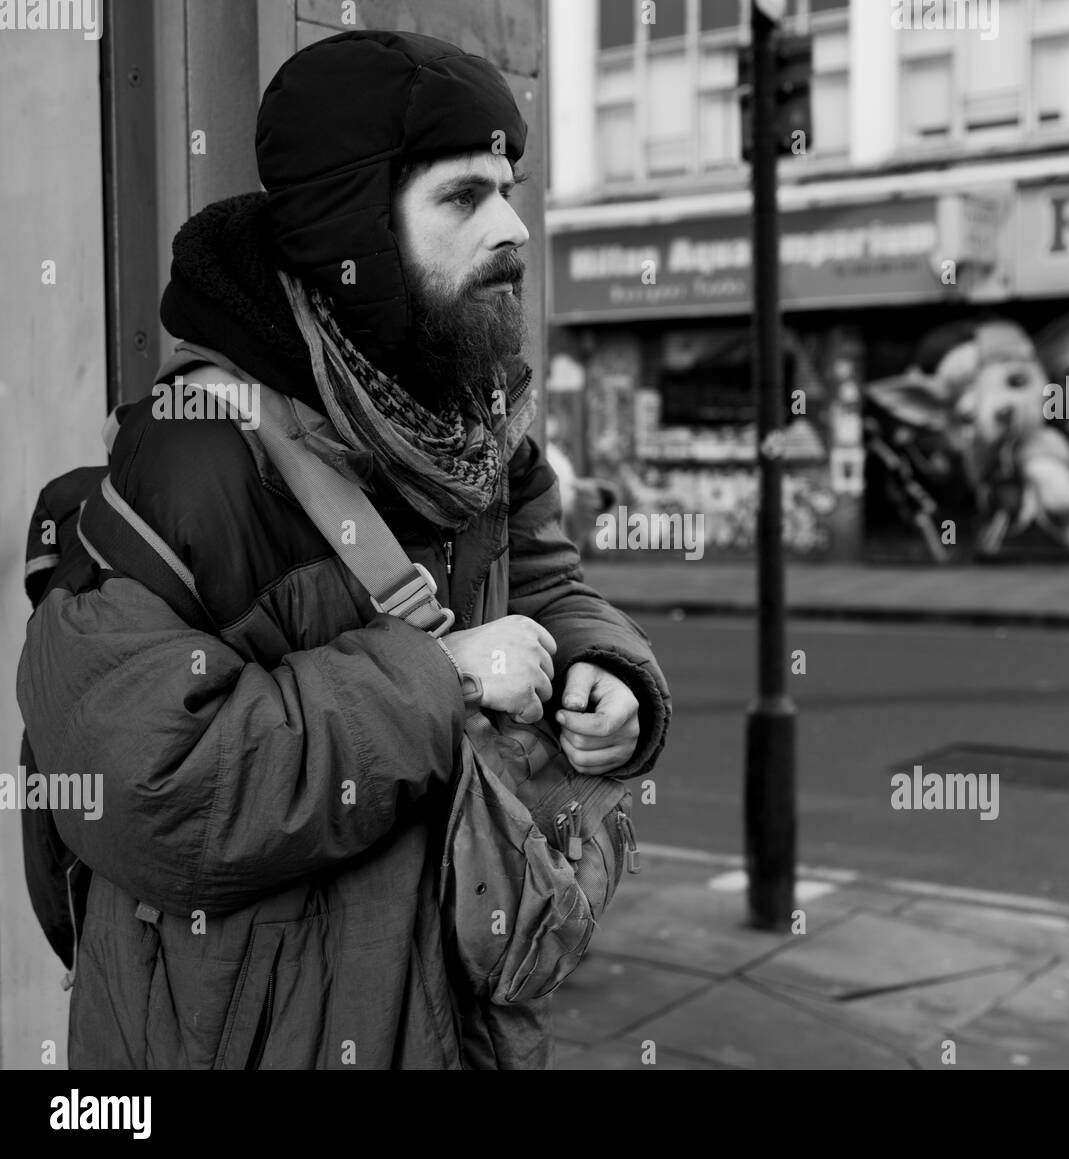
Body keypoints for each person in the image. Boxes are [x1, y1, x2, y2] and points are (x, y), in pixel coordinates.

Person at [16, 29, 670, 1070]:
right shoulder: (195, 455)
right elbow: (142, 790)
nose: (511, 226)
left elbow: (546, 579)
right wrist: (441, 678)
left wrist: (603, 665)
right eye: (460, 198)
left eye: (509, 186)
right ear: (352, 229)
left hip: (455, 1017)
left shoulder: (470, 414)